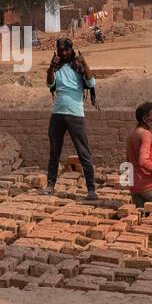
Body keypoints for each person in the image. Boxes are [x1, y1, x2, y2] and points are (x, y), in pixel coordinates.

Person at [44, 36, 98, 199]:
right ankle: (50, 185)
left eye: (66, 50)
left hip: (75, 114)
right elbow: (49, 84)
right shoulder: (56, 67)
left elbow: (91, 83)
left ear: (71, 50)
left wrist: (85, 63)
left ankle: (91, 190)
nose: (64, 52)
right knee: (54, 151)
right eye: (61, 50)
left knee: (83, 152)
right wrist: (51, 67)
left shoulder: (78, 65)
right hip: (58, 113)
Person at [126, 101, 152, 207]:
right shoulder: (145, 134)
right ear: (144, 118)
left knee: (141, 220)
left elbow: (129, 160)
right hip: (149, 186)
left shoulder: (131, 134)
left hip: (135, 187)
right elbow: (143, 161)